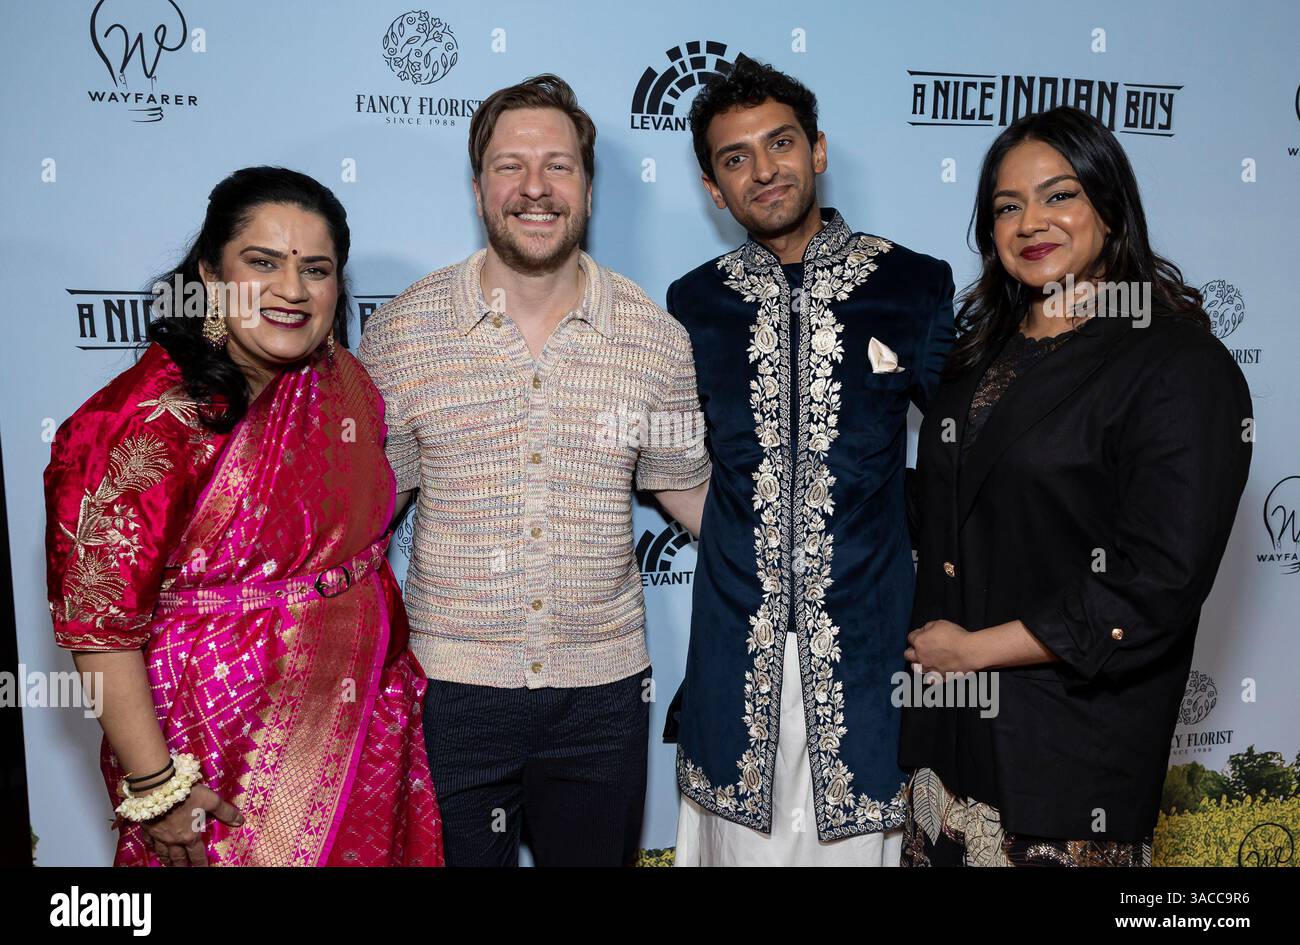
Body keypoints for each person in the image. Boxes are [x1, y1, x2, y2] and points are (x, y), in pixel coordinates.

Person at [44, 167, 443, 867]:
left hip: (364, 717)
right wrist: (158, 791)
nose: (292, 290)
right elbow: (101, 630)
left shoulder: (345, 381)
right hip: (214, 743)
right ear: (209, 272)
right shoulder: (140, 426)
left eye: (316, 269)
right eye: (263, 263)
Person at [358, 75, 710, 867]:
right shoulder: (404, 331)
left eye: (558, 165)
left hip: (603, 698)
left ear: (588, 186)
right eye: (511, 166)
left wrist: (808, 559)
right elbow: (373, 511)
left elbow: (686, 486)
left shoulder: (653, 336)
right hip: (448, 693)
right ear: (479, 186)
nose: (535, 188)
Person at [898, 106, 1253, 867]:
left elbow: (1155, 582)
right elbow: (952, 510)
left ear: (1109, 207)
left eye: (1060, 195)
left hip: (1064, 763)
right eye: (1007, 205)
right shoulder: (976, 359)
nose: (1032, 221)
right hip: (947, 748)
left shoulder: (1177, 367)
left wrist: (976, 653)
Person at [665, 56, 956, 866]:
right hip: (736, 652)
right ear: (712, 186)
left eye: (781, 143)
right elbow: (668, 455)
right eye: (735, 158)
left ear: (817, 150)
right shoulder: (694, 304)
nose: (764, 171)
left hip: (867, 650)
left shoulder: (914, 284)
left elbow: (968, 449)